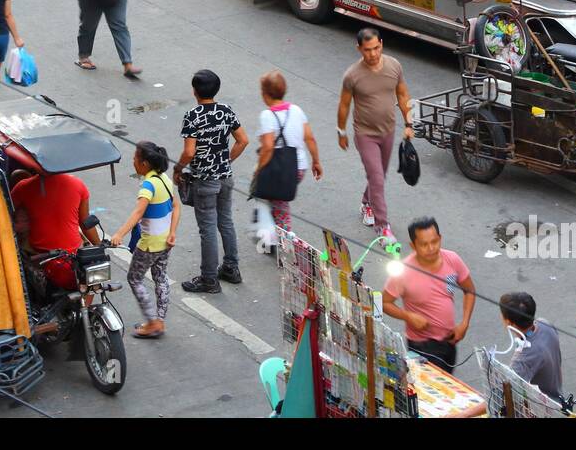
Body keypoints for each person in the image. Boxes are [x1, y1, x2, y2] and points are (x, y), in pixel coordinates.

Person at [337, 28, 414, 239]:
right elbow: (344, 105)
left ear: (382, 43)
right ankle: (383, 227)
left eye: (376, 48)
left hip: (388, 131)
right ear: (359, 49)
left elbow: (403, 94)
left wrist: (409, 123)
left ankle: (366, 203)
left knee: (378, 175)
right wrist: (341, 131)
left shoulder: (394, 66)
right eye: (367, 50)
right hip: (365, 134)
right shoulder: (352, 75)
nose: (372, 54)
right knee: (378, 177)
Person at [177, 69, 248, 293]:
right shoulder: (225, 110)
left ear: (195, 91)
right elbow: (242, 140)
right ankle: (231, 267)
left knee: (207, 228)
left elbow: (189, 152)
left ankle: (209, 279)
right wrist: (225, 160)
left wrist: (178, 168)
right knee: (225, 222)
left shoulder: (193, 115)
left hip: (205, 180)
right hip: (225, 176)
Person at [381, 217, 475, 370]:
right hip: (421, 345)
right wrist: (408, 316)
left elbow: (469, 290)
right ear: (413, 246)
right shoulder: (404, 271)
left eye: (434, 242)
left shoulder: (453, 259)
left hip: (449, 342)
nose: (431, 248)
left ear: (440, 238)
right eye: (424, 244)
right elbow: (385, 302)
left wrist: (464, 323)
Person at [110, 142, 181, 339]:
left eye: (135, 158)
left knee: (134, 278)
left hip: (149, 244)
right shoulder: (164, 179)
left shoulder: (148, 185)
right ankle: (159, 320)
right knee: (161, 277)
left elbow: (139, 212)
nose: (133, 162)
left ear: (145, 163)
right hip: (166, 241)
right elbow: (176, 206)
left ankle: (151, 323)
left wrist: (119, 234)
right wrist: (173, 232)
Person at [11, 163, 99, 292]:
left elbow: (6, 213)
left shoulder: (23, 187)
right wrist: (99, 245)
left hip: (41, 255)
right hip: (72, 254)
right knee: (89, 286)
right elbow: (85, 222)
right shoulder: (78, 184)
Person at [254, 71, 321, 235]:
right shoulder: (296, 110)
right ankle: (272, 233)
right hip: (299, 166)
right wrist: (316, 161)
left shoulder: (267, 116)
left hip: (278, 169)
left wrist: (259, 168)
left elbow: (268, 147)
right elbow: (310, 138)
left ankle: (286, 238)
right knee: (276, 199)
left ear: (265, 94)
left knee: (279, 202)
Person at [501, 291, 563, 398]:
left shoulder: (523, 358)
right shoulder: (544, 324)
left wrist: (466, 414)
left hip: (543, 408)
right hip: (557, 393)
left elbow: (504, 393)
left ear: (509, 322)